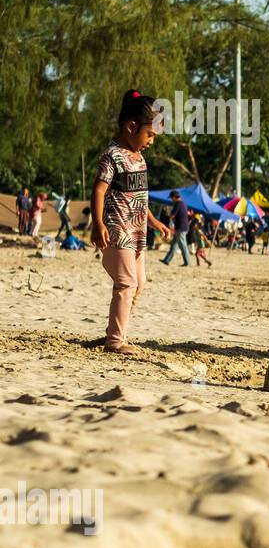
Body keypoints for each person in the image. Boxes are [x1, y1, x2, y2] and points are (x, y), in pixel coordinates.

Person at [91, 90, 172, 354]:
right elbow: (99, 190)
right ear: (131, 126)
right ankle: (115, 341)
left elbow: (140, 198)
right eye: (150, 135)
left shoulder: (140, 159)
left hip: (137, 232)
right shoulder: (112, 155)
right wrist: (98, 223)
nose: (151, 141)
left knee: (139, 283)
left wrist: (153, 222)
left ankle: (117, 332)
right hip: (117, 229)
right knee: (126, 283)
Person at [160, 190, 191, 266]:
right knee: (174, 245)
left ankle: (187, 262)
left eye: (171, 198)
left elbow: (172, 215)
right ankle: (167, 260)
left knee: (183, 246)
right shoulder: (183, 203)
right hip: (182, 227)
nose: (171, 199)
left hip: (181, 228)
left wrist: (167, 216)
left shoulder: (178, 203)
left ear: (174, 197)